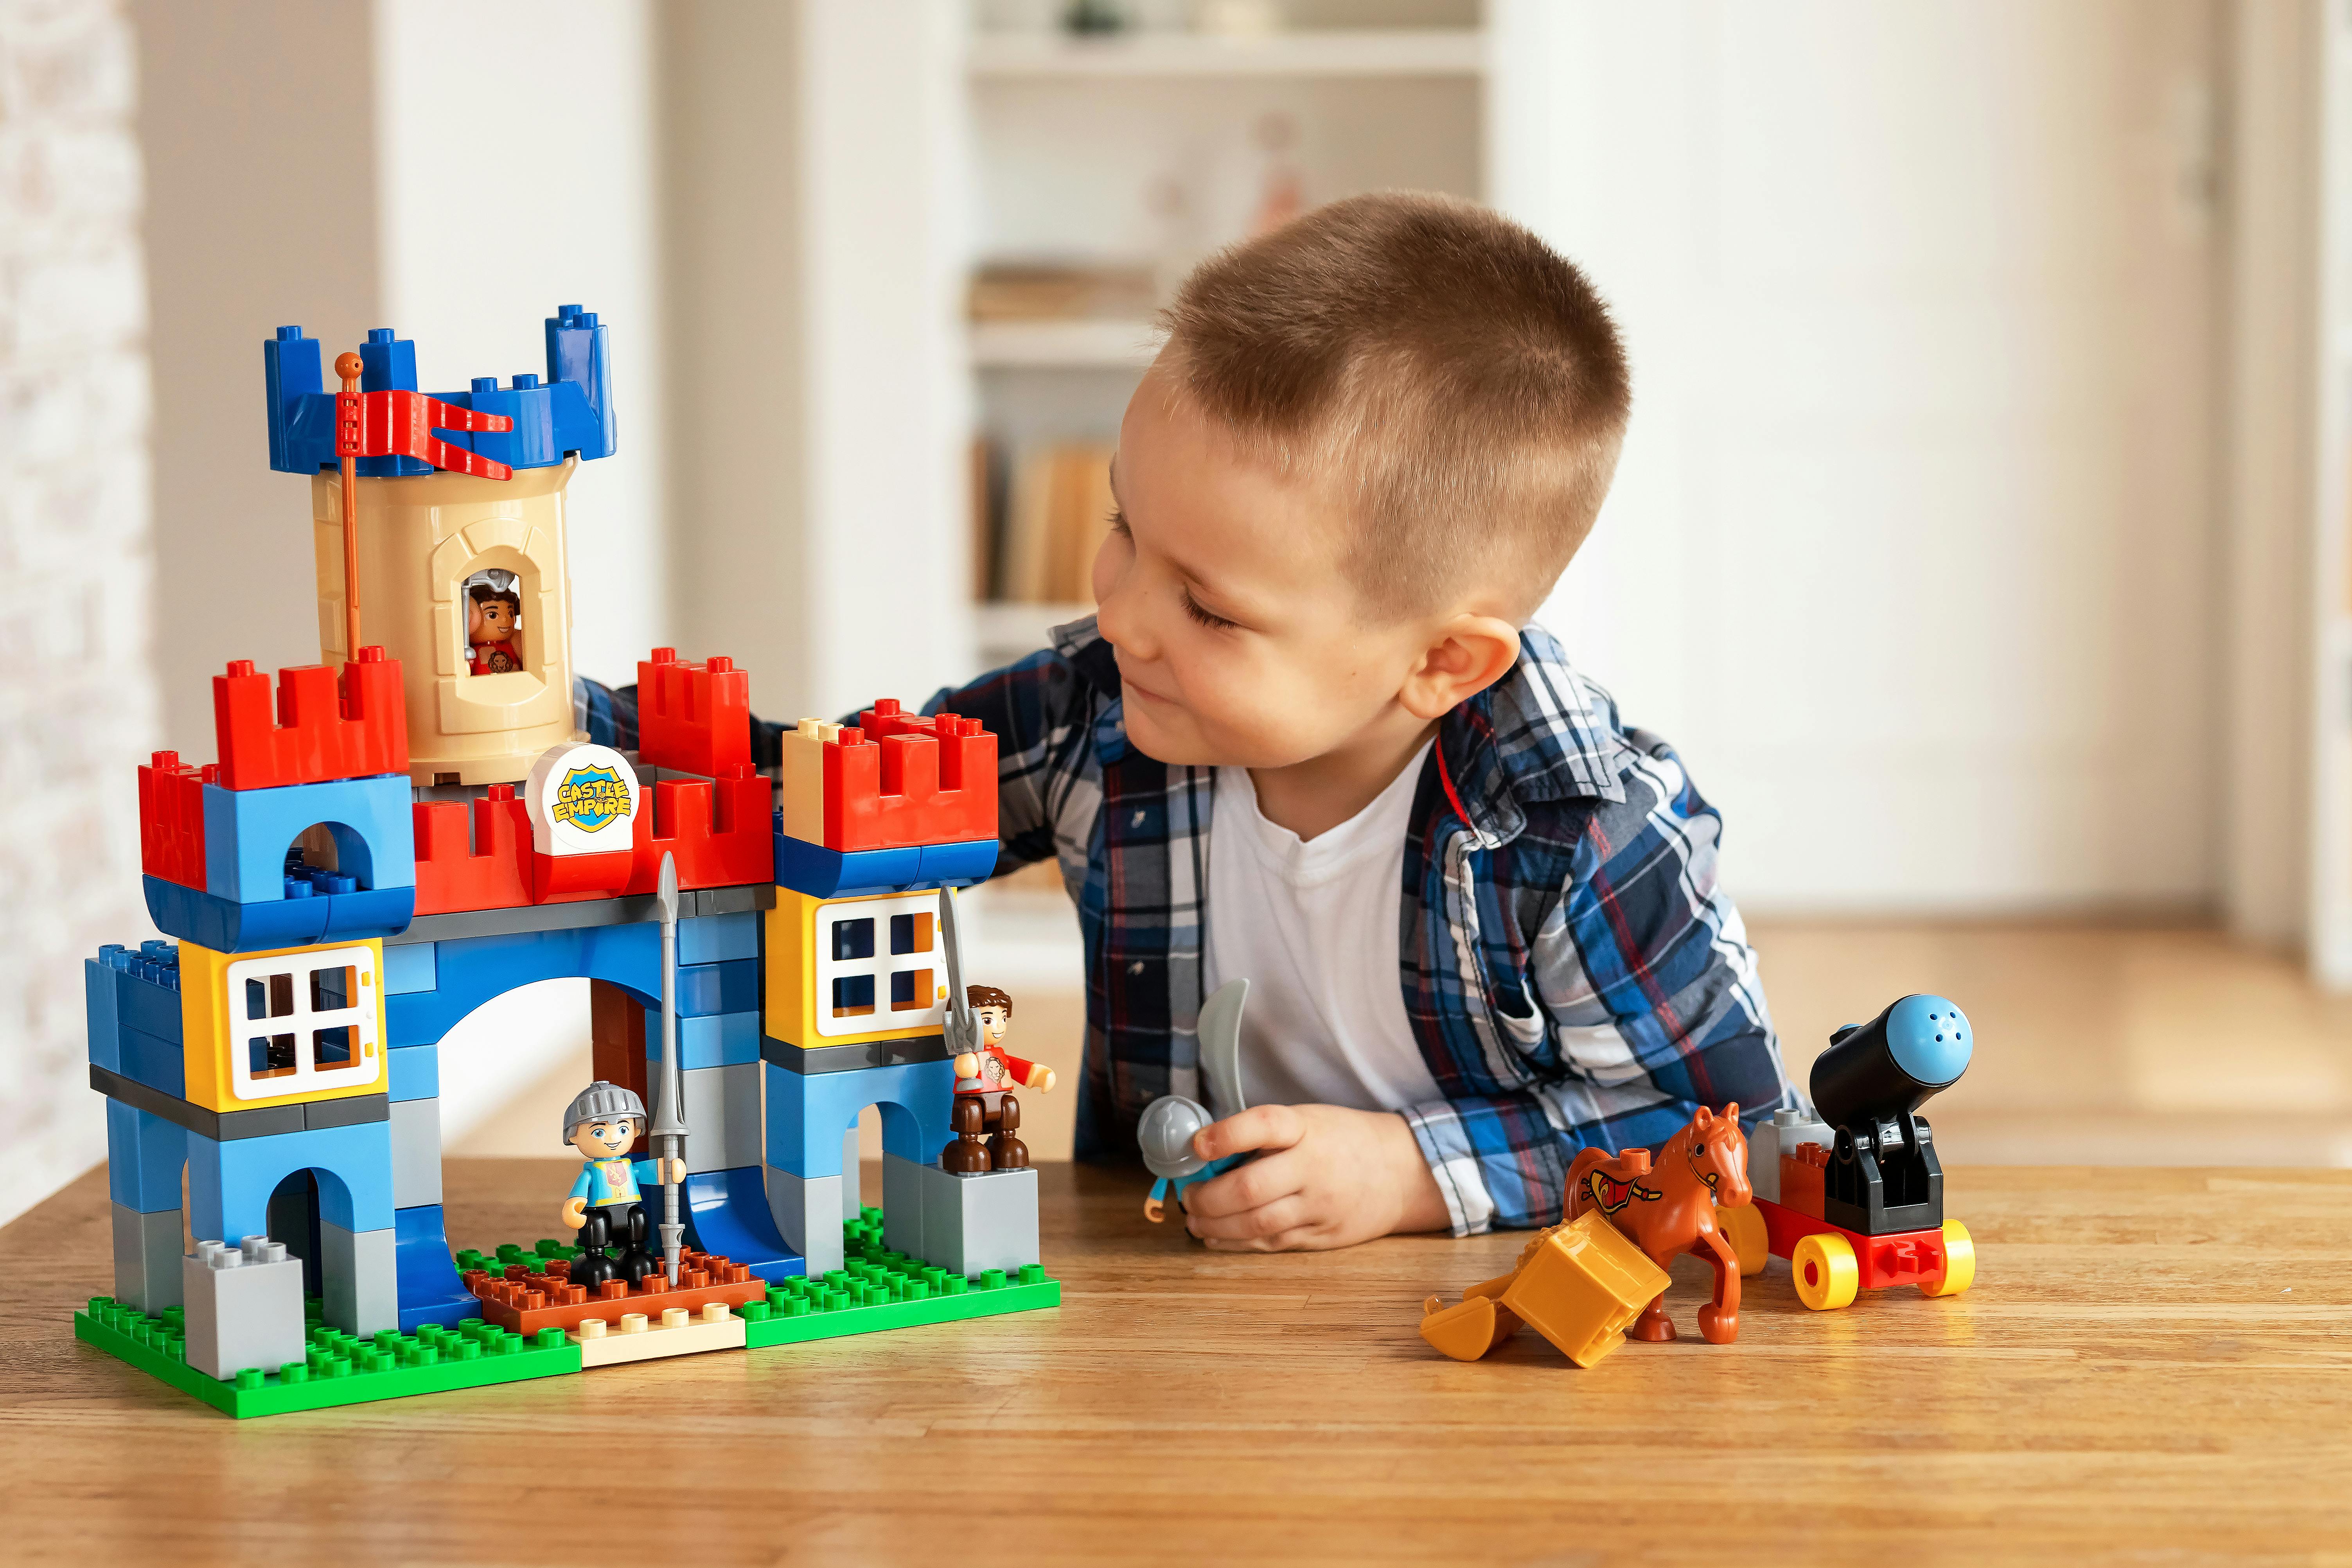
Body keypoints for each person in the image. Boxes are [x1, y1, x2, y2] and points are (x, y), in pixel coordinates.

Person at [579, 192, 1794, 1251]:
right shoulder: (1093, 710)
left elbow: (1733, 1131)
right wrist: (577, 726)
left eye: (1208, 607)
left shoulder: (1578, 829)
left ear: (1439, 660)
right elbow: (829, 790)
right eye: (1121, 528)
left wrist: (1414, 1174)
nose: (1118, 613)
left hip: (1470, 1330)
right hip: (1158, 1294)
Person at [557, 1081, 686, 1287]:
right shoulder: (591, 1172)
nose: (613, 1138)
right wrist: (573, 1210)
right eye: (599, 1132)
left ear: (635, 1130)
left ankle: (635, 1254)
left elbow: (657, 1172)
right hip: (599, 1212)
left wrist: (671, 1169)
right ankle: (595, 1259)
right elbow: (578, 1196)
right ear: (574, 1136)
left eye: (623, 1130)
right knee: (595, 1223)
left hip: (628, 1210)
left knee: (638, 1217)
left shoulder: (628, 1166)